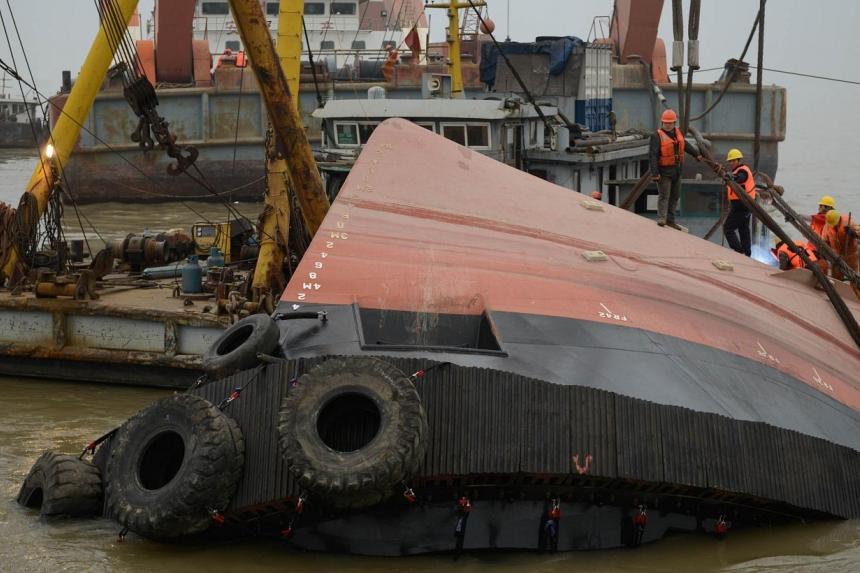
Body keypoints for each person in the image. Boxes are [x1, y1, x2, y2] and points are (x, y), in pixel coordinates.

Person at [649, 109, 700, 229]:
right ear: (662, 122)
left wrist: (696, 154)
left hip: (677, 171)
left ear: (674, 123)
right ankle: (662, 218)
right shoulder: (656, 136)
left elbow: (685, 145)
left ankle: (671, 220)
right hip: (664, 172)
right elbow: (653, 155)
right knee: (664, 195)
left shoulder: (678, 133)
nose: (668, 125)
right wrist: (655, 173)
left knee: (675, 196)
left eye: (670, 123)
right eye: (666, 123)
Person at [722, 148, 756, 257]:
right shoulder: (735, 171)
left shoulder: (743, 170)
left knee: (728, 228)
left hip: (742, 204)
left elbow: (741, 178)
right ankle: (747, 253)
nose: (731, 163)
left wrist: (733, 177)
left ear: (738, 160)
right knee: (743, 229)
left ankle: (739, 251)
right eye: (730, 161)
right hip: (745, 205)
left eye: (733, 161)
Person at [822, 209, 860, 280]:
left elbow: (859, 232)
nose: (833, 226)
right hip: (836, 257)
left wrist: (853, 233)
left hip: (851, 254)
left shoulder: (849, 223)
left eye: (834, 224)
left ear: (839, 219)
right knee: (836, 278)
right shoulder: (828, 226)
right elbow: (824, 240)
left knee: (854, 277)